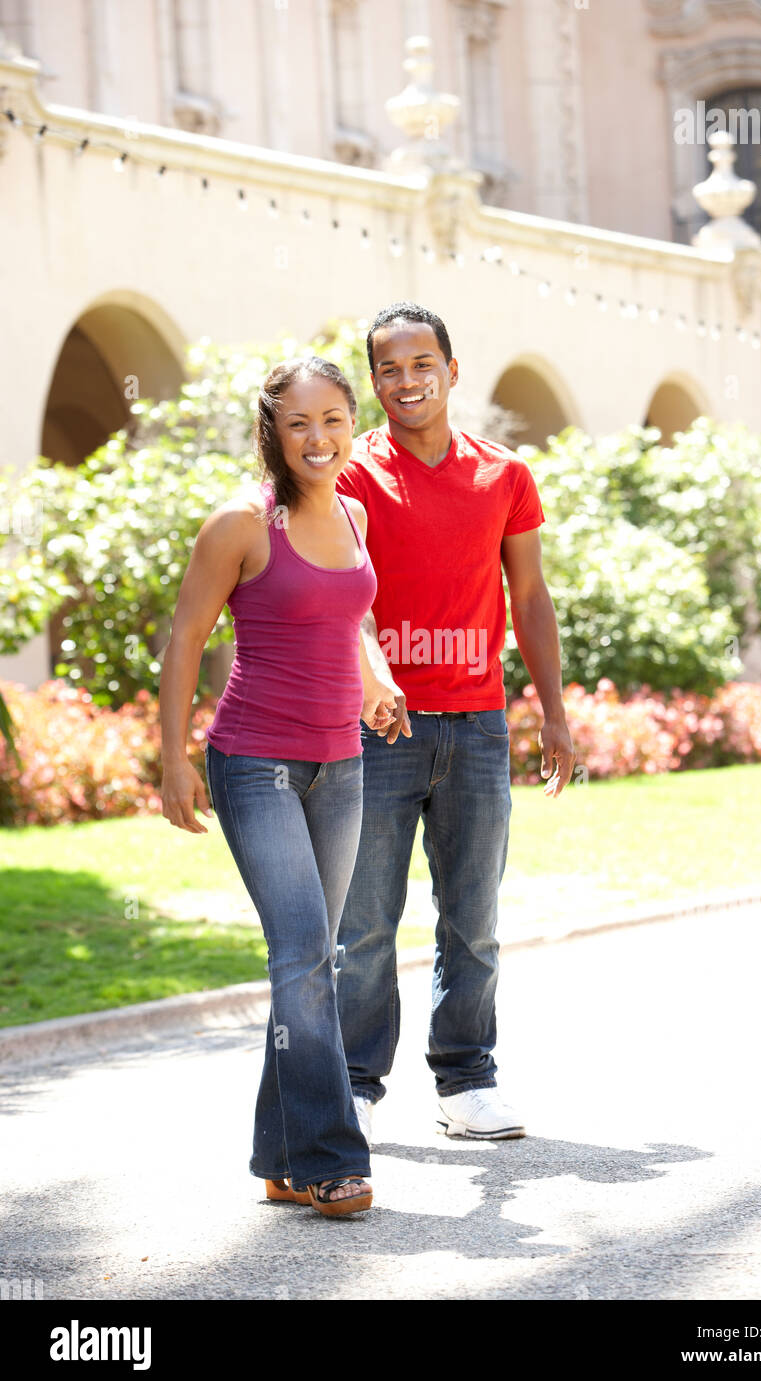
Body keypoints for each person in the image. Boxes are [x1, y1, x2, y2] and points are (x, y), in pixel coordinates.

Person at [159, 356, 397, 1217]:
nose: (318, 438)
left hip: (342, 763)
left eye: (332, 419)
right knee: (303, 958)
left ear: (351, 422)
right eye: (299, 423)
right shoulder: (242, 523)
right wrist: (173, 757)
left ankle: (281, 1156)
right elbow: (187, 635)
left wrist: (375, 677)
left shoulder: (358, 514)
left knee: (311, 965)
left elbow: (353, 616)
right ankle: (335, 1158)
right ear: (273, 429)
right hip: (255, 761)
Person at [335, 302, 576, 1143]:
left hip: (475, 727)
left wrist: (552, 711)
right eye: (389, 369)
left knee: (473, 917)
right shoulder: (353, 475)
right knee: (363, 921)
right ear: (374, 383)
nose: (407, 380)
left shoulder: (504, 475)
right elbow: (338, 596)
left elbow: (531, 597)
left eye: (421, 364)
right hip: (376, 730)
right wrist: (372, 679)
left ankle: (467, 1080)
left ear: (452, 370)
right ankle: (356, 1086)